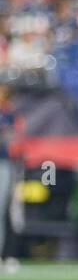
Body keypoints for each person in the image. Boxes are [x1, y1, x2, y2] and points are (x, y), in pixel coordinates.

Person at [0, 84, 24, 266]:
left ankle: (4, 253)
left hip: (5, 163)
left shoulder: (8, 113)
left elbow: (14, 136)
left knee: (5, 209)